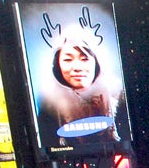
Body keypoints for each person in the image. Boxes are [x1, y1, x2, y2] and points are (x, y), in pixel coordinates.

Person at [36, 20, 126, 152]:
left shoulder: (118, 95)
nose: (77, 67)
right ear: (57, 65)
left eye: (84, 59)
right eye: (67, 60)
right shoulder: (49, 103)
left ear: (96, 62)